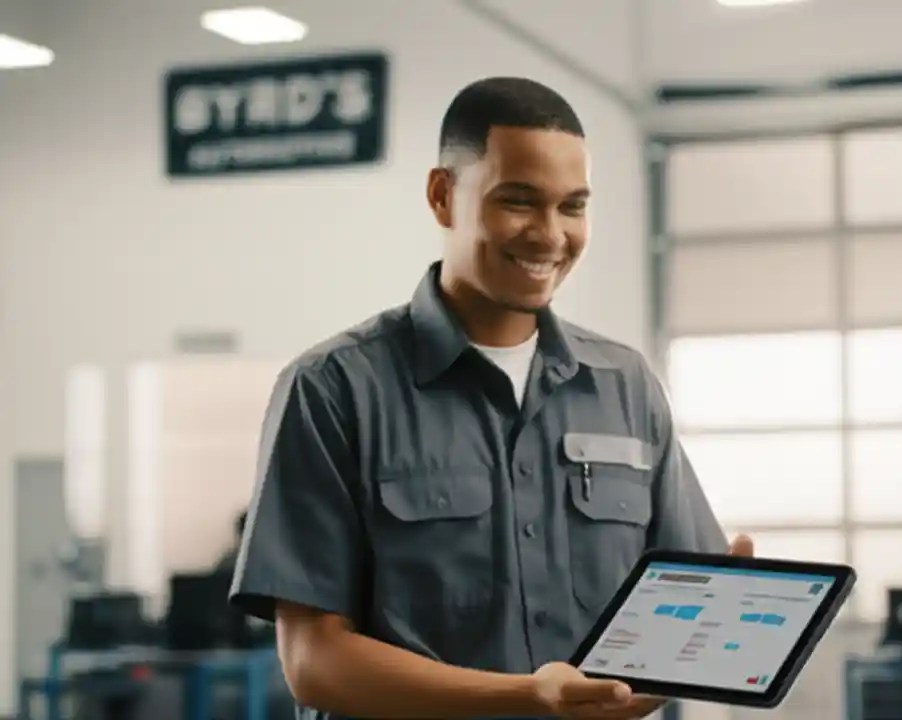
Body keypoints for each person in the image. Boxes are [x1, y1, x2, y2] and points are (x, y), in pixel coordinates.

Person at [229, 76, 745, 720]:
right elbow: (313, 660)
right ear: (444, 196)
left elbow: (670, 635)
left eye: (573, 207)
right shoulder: (334, 388)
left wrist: (716, 623)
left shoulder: (625, 386)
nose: (550, 235)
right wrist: (527, 699)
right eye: (520, 201)